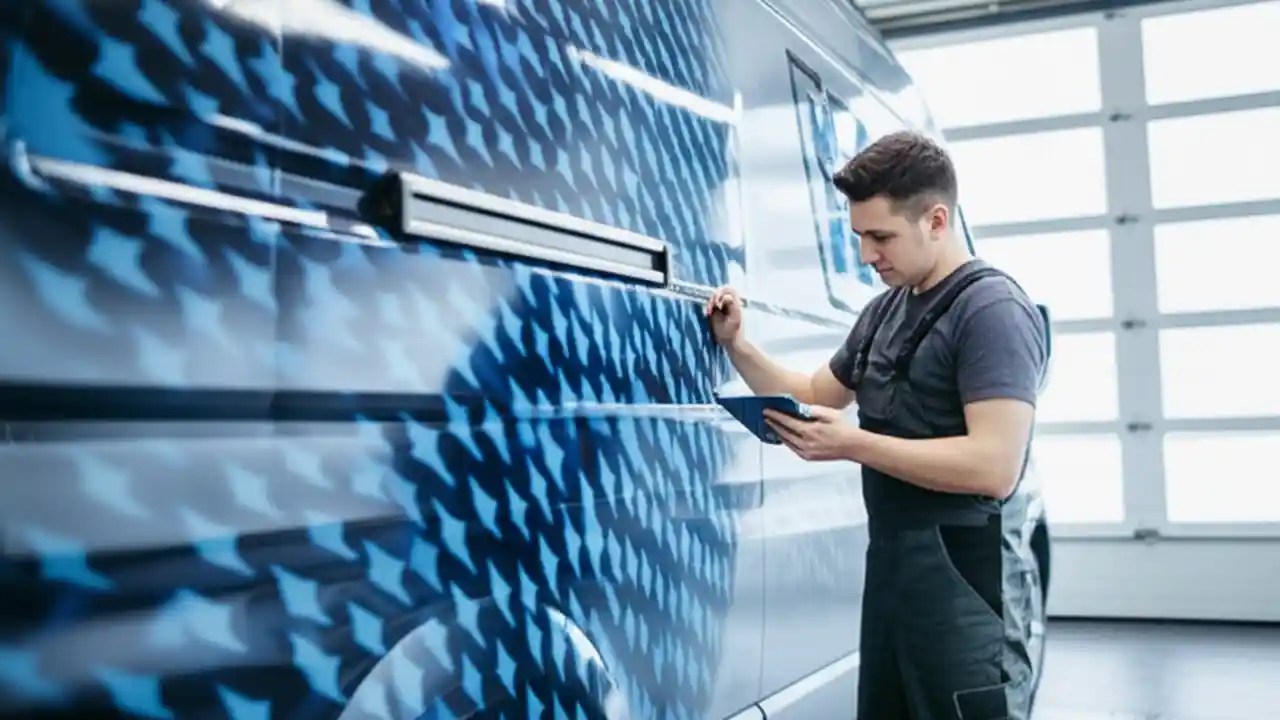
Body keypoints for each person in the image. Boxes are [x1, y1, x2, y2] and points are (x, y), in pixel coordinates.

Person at [705, 130, 1048, 719]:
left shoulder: (993, 312)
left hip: (969, 582)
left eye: (881, 236)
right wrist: (739, 347)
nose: (867, 254)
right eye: (859, 235)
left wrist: (853, 444)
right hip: (893, 572)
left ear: (936, 220)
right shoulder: (884, 311)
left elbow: (993, 466)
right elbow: (818, 393)